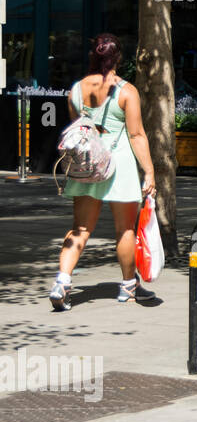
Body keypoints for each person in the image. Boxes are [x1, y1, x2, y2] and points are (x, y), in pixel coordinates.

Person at [48, 34, 158, 310]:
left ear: (93, 57)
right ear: (118, 58)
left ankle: (62, 281)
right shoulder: (126, 91)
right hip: (118, 165)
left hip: (86, 164)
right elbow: (136, 135)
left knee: (81, 228)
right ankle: (127, 286)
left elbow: (80, 128)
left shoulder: (76, 90)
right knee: (124, 230)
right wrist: (149, 172)